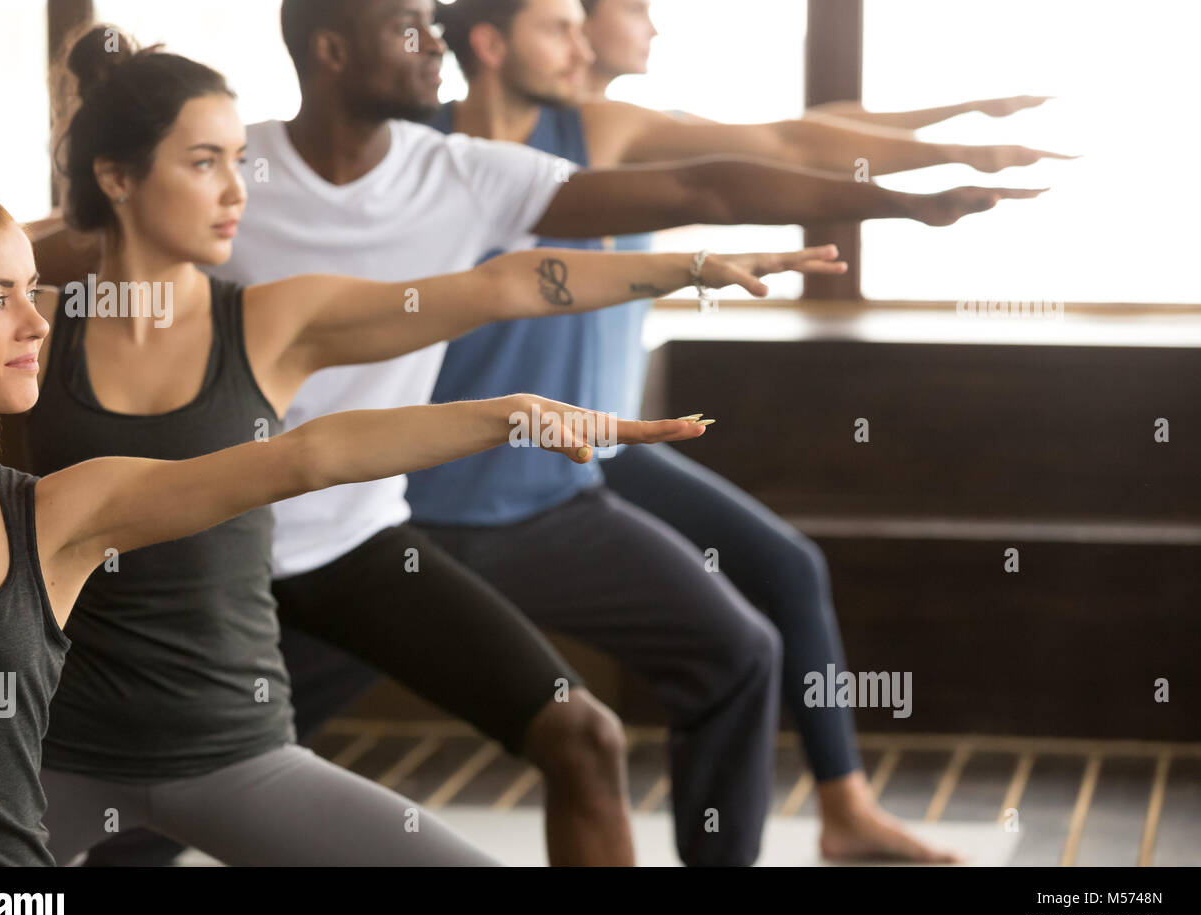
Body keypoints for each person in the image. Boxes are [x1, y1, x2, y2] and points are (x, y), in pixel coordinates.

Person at [38, 0, 1039, 867]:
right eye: (408, 25)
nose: (233, 190)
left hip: (352, 534)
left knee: (579, 733)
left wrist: (719, 258)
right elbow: (32, 248)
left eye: (232, 165)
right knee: (144, 802)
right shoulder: (111, 260)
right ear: (333, 48)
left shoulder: (399, 217)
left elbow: (518, 277)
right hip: (205, 565)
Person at [406, 0, 1063, 862]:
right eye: (574, 21)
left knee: (760, 609)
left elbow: (793, 141)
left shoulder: (603, 129)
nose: (627, 30)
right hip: (428, 487)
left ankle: (839, 807)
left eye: (580, 23)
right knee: (254, 729)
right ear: (492, 44)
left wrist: (941, 152)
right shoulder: (424, 154)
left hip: (577, 470)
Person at [0, 183, 714, 865]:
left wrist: (509, 416)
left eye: (31, 287)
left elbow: (307, 456)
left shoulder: (58, 514)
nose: (37, 320)